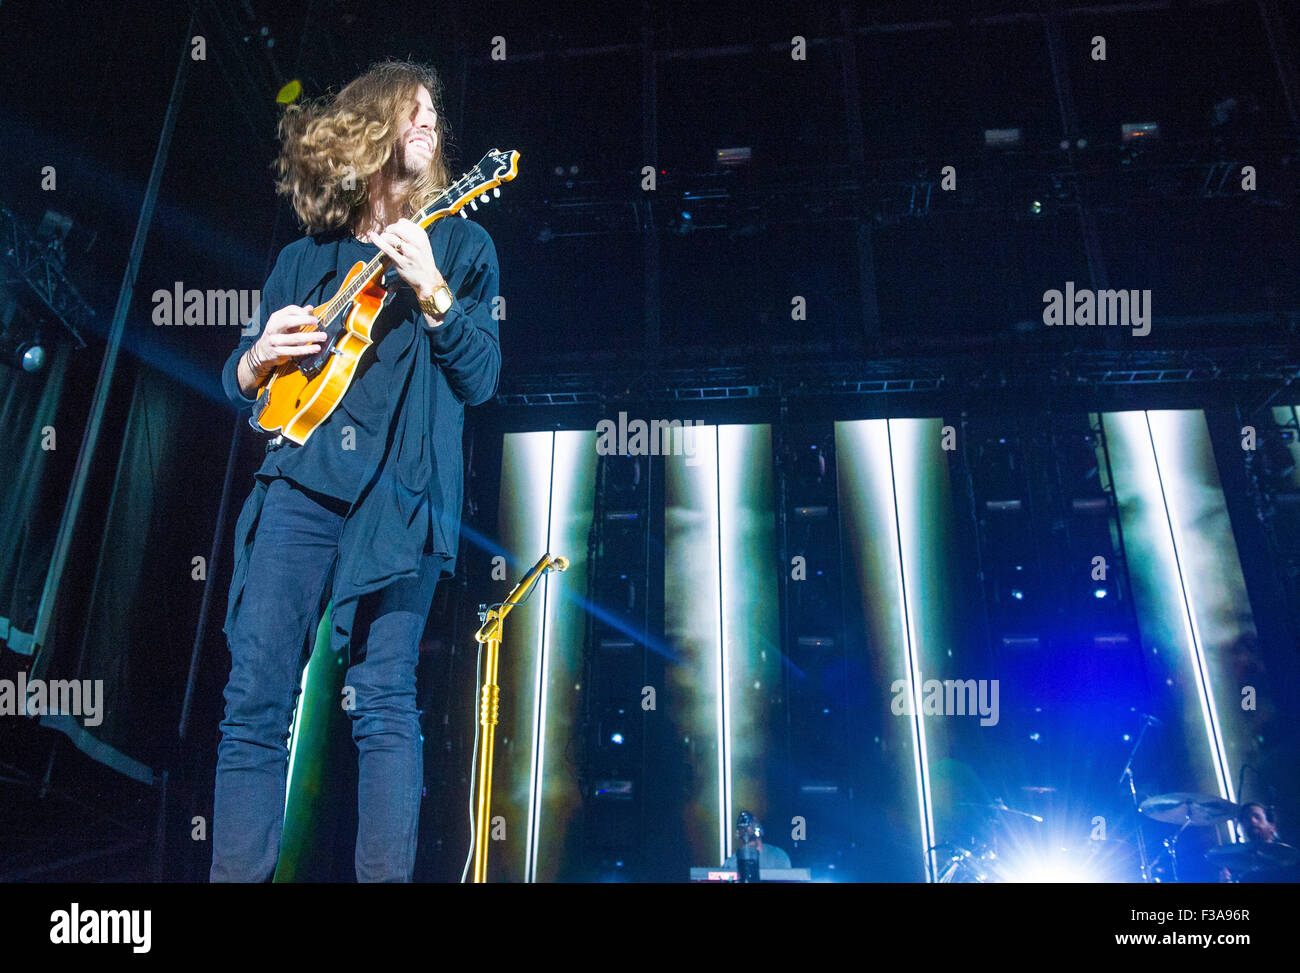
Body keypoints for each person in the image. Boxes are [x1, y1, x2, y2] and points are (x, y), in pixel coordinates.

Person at [210, 59, 501, 882]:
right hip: (300, 488)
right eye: (413, 112)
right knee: (256, 702)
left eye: (435, 115)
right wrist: (257, 355)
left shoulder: (465, 245)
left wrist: (433, 289)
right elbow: (236, 381)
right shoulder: (308, 259)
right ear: (372, 128)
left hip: (402, 501)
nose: (430, 124)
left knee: (381, 705)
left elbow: (482, 377)